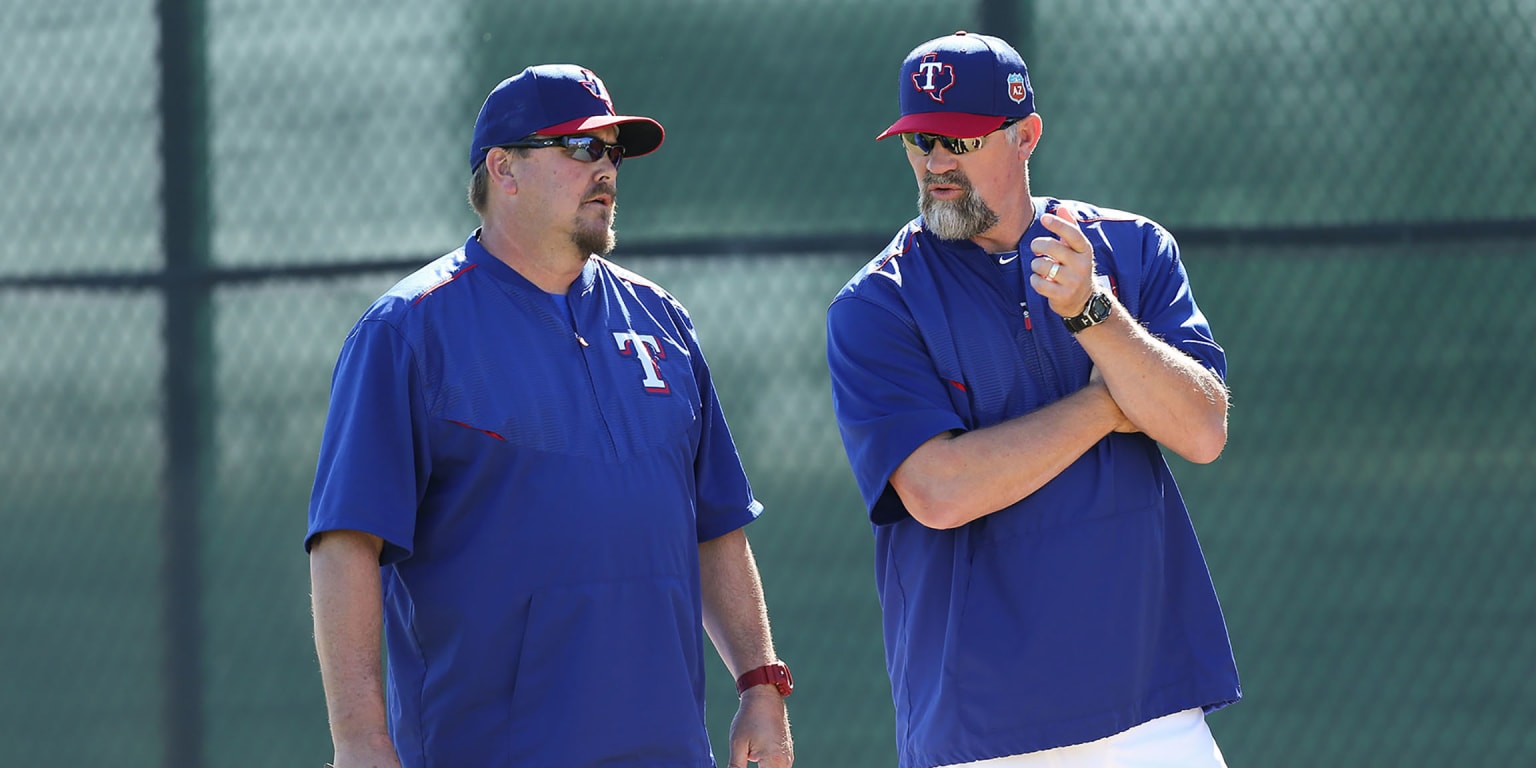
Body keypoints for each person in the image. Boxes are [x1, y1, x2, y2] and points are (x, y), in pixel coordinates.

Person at [307, 64, 794, 768]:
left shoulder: (661, 322)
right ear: (503, 169)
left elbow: (714, 524)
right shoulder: (410, 331)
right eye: (579, 149)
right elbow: (346, 544)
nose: (606, 169)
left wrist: (759, 680)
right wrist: (359, 743)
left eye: (613, 151)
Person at [825, 32, 1241, 768]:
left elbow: (1202, 428)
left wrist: (1095, 315)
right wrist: (1109, 405)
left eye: (959, 137)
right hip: (982, 729)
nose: (935, 163)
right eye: (919, 139)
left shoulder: (1132, 249)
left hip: (1152, 711)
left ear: (1026, 136)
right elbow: (939, 490)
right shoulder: (877, 304)